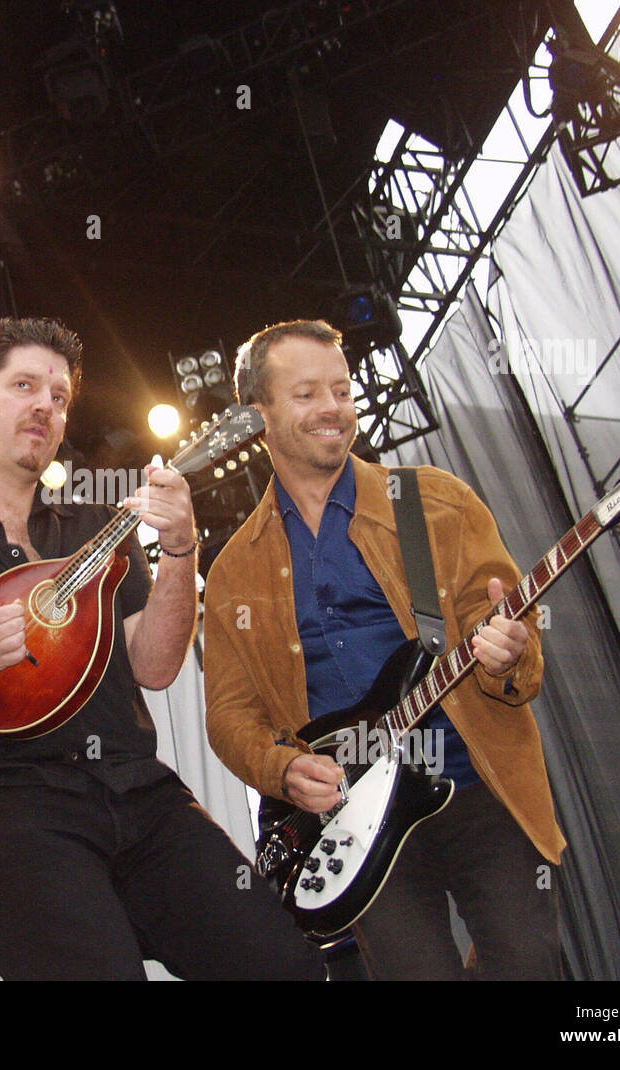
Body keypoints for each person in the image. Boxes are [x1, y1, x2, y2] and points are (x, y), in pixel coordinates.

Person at [0, 317, 320, 980]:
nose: (46, 404)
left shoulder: (93, 523)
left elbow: (154, 664)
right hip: (2, 802)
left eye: (60, 395)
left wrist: (182, 549)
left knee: (282, 962)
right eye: (23, 385)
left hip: (138, 790)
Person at [203, 319, 566, 980]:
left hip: (477, 785)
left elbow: (507, 626)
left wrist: (510, 652)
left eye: (341, 390)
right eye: (308, 393)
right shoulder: (233, 572)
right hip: (353, 826)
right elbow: (229, 716)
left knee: (529, 961)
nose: (333, 408)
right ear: (261, 415)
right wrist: (282, 770)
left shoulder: (432, 500)